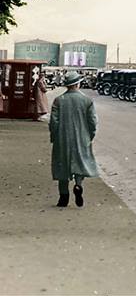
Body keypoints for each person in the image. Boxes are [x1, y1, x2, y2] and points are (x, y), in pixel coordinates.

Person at [49, 71, 99, 207]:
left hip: (62, 137)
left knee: (62, 165)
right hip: (82, 137)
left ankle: (63, 197)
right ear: (78, 84)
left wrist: (53, 136)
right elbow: (93, 122)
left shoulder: (59, 100)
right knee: (79, 163)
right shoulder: (87, 101)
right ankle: (78, 185)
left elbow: (53, 121)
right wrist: (90, 135)